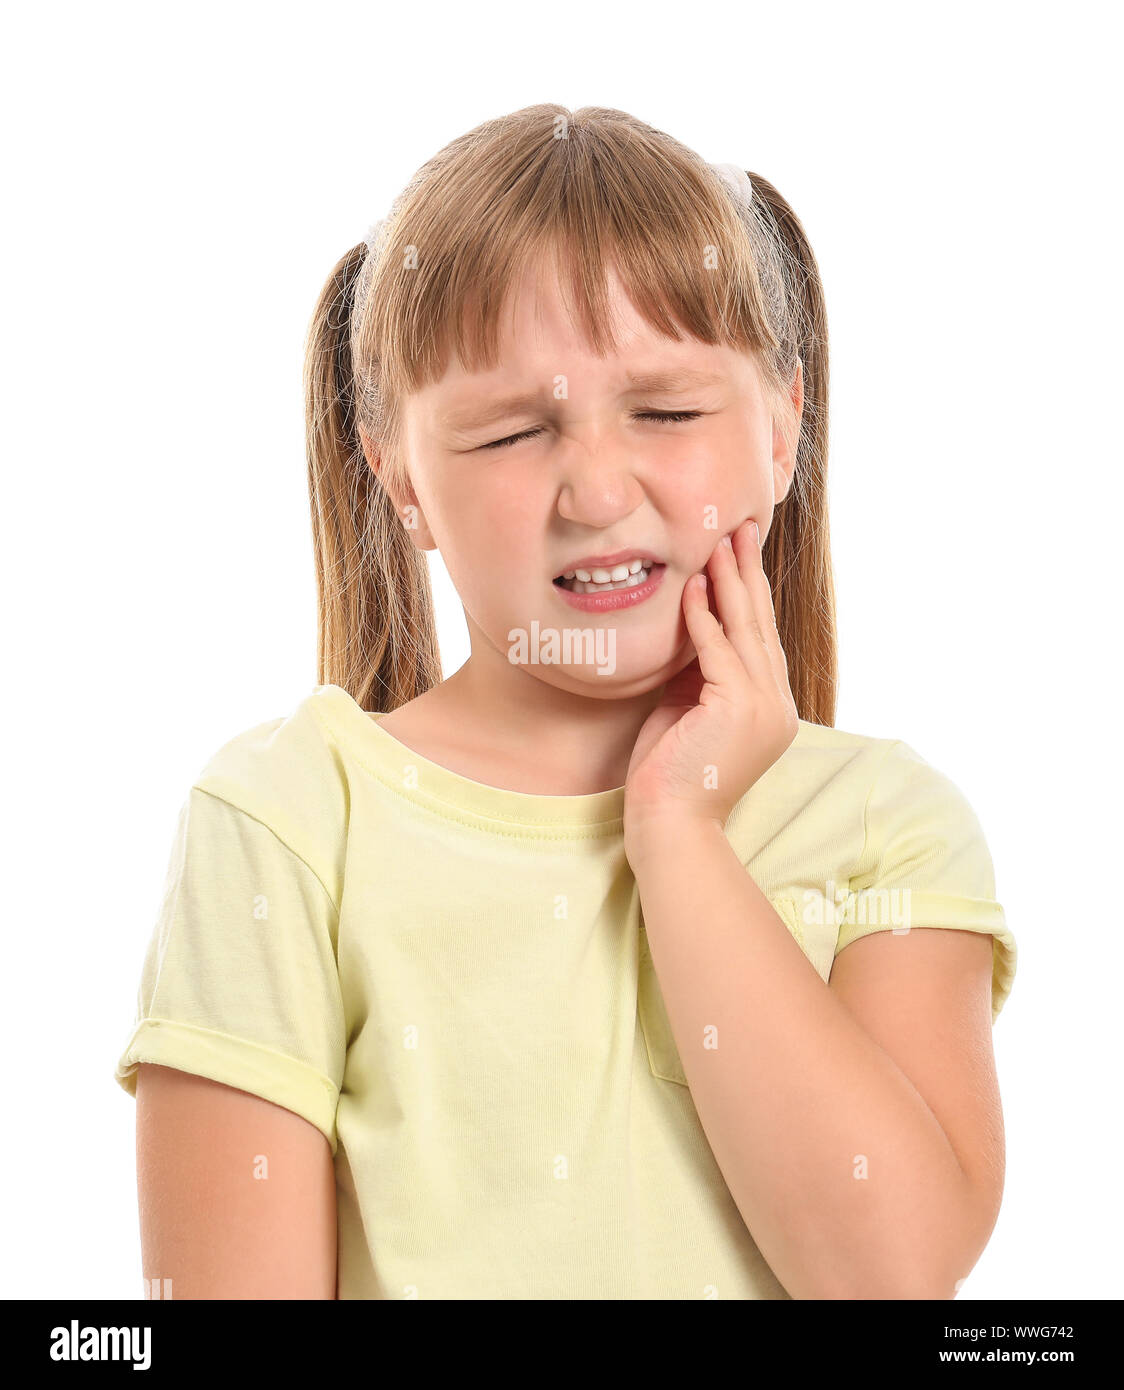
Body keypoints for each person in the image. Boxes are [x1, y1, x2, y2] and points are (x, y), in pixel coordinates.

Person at [113, 103, 1017, 1300]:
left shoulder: (887, 825)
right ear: (399, 476)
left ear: (783, 424)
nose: (595, 487)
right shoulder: (286, 819)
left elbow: (890, 1274)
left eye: (665, 410)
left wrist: (680, 835)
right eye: (509, 431)